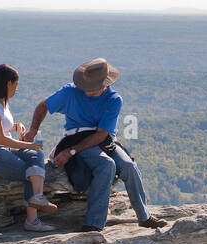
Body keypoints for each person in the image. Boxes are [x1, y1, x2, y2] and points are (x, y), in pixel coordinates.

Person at [24, 58, 167, 232]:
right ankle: (93, 224)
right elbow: (43, 105)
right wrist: (33, 129)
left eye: (91, 88)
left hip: (102, 140)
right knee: (106, 165)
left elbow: (101, 134)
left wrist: (72, 152)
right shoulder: (70, 92)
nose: (86, 91)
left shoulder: (113, 99)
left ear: (104, 85)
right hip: (75, 137)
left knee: (129, 166)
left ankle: (144, 217)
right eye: (85, 86)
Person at [0, 64, 57, 232]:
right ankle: (32, 220)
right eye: (16, 84)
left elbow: (0, 128)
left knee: (35, 155)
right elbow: (0, 139)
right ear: (8, 84)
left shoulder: (1, 104)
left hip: (1, 150)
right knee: (30, 172)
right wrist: (28, 144)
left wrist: (15, 126)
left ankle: (38, 197)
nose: (17, 89)